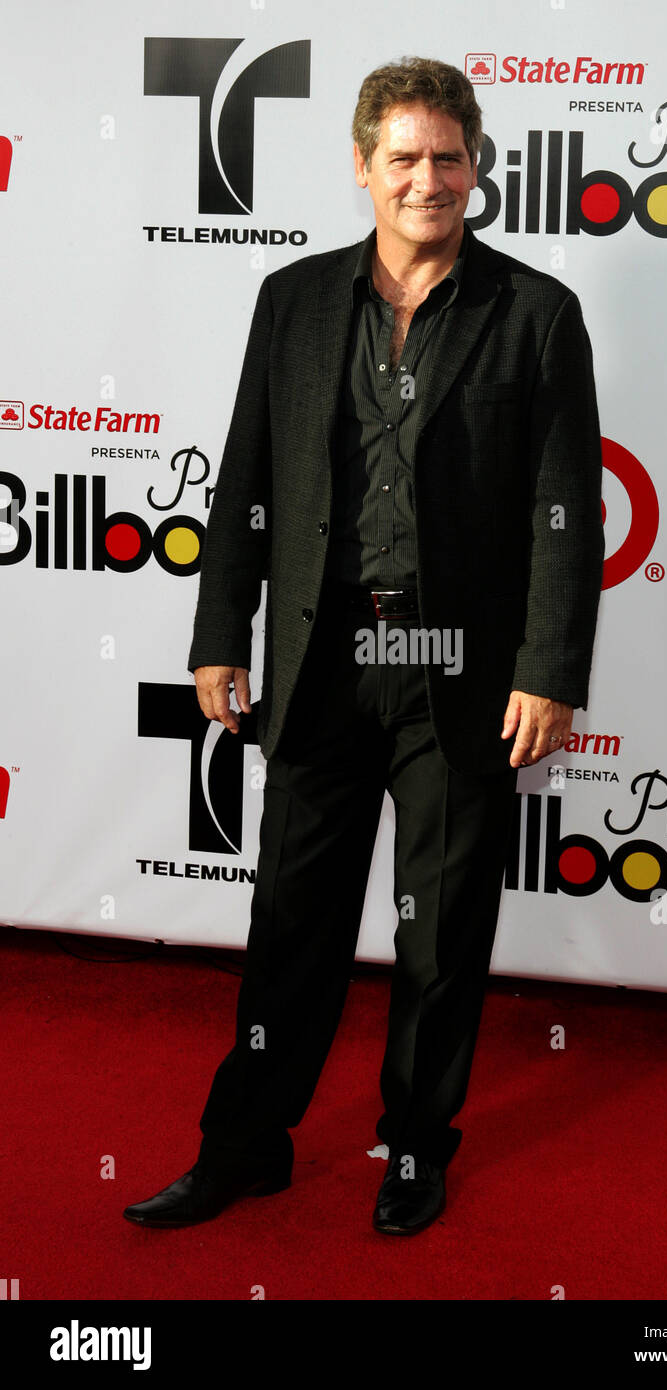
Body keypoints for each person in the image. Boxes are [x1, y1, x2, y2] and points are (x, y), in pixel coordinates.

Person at [123, 55, 604, 1237]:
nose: (427, 179)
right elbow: (246, 476)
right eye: (403, 158)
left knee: (440, 936)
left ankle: (413, 1148)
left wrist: (548, 667)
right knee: (289, 925)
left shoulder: (535, 313)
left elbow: (565, 509)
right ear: (361, 168)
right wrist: (217, 629)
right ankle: (245, 1146)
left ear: (477, 169)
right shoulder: (291, 303)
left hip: (461, 670)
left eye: (448, 157)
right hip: (323, 656)